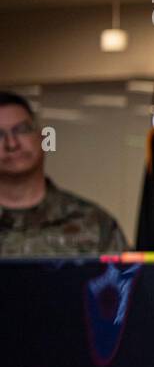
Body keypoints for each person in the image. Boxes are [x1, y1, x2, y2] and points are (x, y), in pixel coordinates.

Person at [0, 90, 127, 256]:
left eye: (22, 130)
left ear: (42, 137)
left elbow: (123, 280)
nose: (12, 143)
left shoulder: (93, 223)